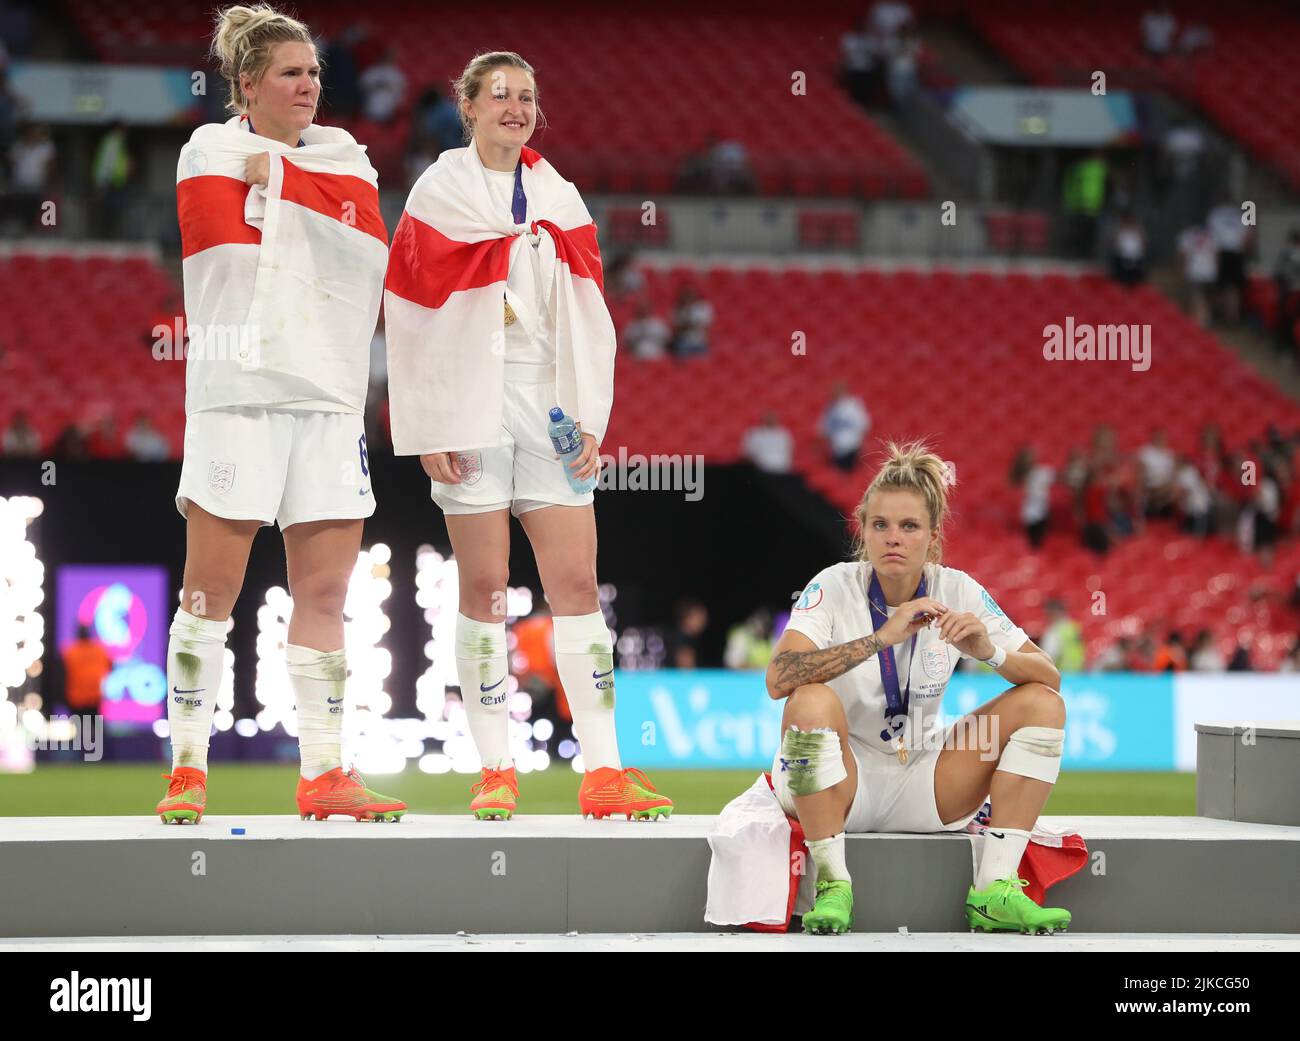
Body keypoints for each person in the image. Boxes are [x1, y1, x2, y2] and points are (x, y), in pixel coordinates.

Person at [384, 50, 672, 822]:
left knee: (576, 586)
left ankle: (604, 770)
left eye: (526, 97)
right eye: (499, 95)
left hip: (546, 402)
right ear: (467, 106)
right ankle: (495, 768)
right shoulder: (438, 191)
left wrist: (589, 415)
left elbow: (588, 313)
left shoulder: (559, 194)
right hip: (468, 400)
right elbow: (409, 311)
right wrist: (426, 422)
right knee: (484, 588)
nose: (514, 107)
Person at [157, 3, 401, 826]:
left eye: (316, 74)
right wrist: (309, 200)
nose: (309, 86)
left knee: (327, 593)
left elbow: (370, 239)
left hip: (330, 396)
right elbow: (258, 230)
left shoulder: (345, 158)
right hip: (242, 389)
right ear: (248, 84)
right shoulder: (210, 147)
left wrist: (287, 187)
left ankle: (325, 773)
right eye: (292, 73)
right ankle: (188, 766)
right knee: (208, 593)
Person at [765, 441, 1069, 935]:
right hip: (843, 782)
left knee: (1042, 705)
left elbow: (1049, 677)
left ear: (932, 538)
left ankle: (994, 889)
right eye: (880, 524)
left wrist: (988, 651)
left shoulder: (958, 589)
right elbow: (778, 679)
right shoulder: (834, 585)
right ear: (862, 530)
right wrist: (880, 638)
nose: (894, 538)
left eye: (909, 527)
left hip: (924, 777)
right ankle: (832, 885)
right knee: (810, 700)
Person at [60, 623, 112, 720]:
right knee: (95, 733)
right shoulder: (100, 651)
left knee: (79, 732)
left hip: (77, 700)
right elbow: (109, 668)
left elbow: (61, 676)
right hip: (91, 699)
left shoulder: (69, 652)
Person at [820, 381, 870, 471]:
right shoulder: (830, 407)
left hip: (853, 446)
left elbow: (863, 425)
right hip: (837, 449)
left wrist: (861, 445)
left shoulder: (853, 405)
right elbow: (825, 429)